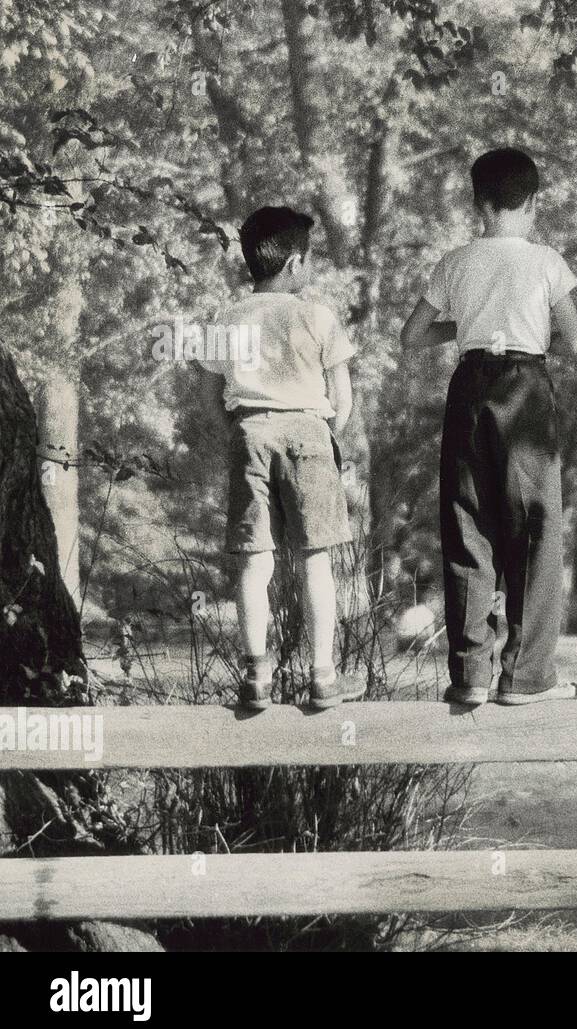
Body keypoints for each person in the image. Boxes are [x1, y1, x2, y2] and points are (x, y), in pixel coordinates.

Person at [401, 147, 577, 707]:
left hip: (469, 383)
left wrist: (467, 329)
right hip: (525, 386)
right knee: (535, 525)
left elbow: (412, 337)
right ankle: (527, 676)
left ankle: (470, 674)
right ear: (532, 203)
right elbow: (576, 341)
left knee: (467, 519)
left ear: (477, 203)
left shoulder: (454, 262)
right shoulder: (547, 261)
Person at [195, 206, 358, 711]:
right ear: (293, 263)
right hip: (308, 430)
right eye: (307, 260)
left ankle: (256, 676)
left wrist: (240, 430)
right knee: (316, 558)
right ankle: (323, 676)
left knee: (254, 559)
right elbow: (344, 400)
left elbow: (208, 396)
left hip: (251, 431)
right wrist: (327, 437)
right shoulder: (317, 316)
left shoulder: (227, 316)